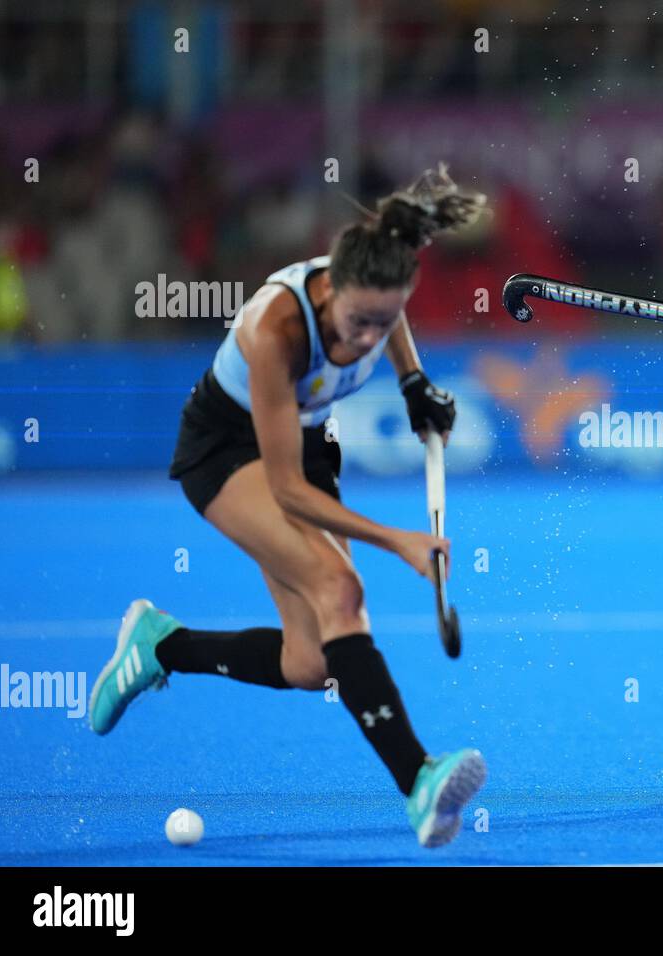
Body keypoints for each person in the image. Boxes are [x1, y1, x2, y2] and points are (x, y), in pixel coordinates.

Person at [89, 164, 488, 847]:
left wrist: (413, 381)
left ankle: (162, 645)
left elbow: (388, 318)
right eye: (358, 321)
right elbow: (285, 491)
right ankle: (419, 779)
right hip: (226, 451)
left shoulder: (375, 280)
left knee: (310, 663)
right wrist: (397, 540)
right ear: (330, 289)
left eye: (384, 321)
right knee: (340, 588)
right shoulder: (277, 332)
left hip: (302, 443)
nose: (367, 337)